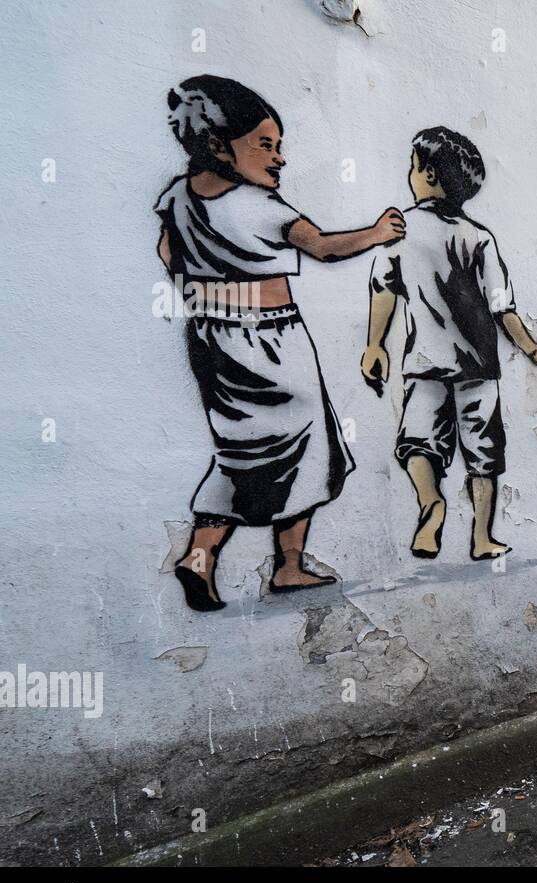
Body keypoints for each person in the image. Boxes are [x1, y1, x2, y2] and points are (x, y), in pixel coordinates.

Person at [155, 74, 405, 612]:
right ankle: (289, 566)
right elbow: (324, 248)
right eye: (265, 145)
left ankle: (200, 556)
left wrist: (208, 286)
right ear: (221, 146)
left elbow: (167, 254)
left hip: (210, 339)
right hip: (273, 340)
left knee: (237, 452)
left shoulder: (175, 197)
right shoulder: (260, 206)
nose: (279, 158)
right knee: (307, 446)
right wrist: (377, 233)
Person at [362, 127, 537, 561]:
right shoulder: (478, 237)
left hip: (424, 362)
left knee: (417, 443)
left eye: (413, 166)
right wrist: (533, 349)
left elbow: (383, 290)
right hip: (478, 365)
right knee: (483, 455)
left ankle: (431, 502)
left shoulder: (399, 231)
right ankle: (483, 537)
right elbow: (504, 308)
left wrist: (375, 346)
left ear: (427, 174)